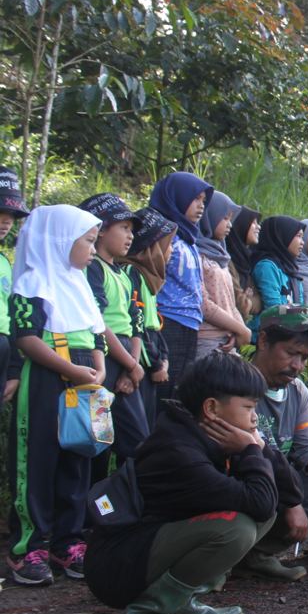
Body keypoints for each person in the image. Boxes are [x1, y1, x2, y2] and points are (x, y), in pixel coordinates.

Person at [84, 351, 295, 614]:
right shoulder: (178, 451)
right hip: (118, 566)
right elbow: (260, 501)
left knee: (261, 511)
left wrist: (258, 448)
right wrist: (251, 451)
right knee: (237, 528)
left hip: (146, 550)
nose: (254, 417)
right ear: (211, 408)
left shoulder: (209, 436)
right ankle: (145, 613)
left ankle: (182, 601)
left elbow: (289, 494)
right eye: (248, 407)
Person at [6, 205, 106, 585]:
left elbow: (96, 334)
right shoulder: (33, 283)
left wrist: (99, 369)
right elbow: (27, 338)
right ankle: (27, 547)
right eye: (88, 241)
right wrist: (71, 370)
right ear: (60, 240)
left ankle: (67, 541)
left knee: (78, 457)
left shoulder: (78, 284)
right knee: (37, 460)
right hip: (48, 379)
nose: (93, 250)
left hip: (85, 381)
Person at [244, 304, 308, 580]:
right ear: (263, 341)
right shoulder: (237, 382)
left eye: (304, 357)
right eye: (290, 353)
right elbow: (249, 456)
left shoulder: (297, 391)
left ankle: (256, 555)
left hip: (275, 485)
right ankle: (217, 561)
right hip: (241, 483)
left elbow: (306, 448)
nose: (297, 366)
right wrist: (291, 502)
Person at [79, 194, 148, 480]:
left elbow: (135, 322)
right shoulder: (92, 269)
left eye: (132, 230)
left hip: (126, 362)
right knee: (98, 441)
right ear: (101, 229)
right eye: (124, 228)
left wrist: (131, 367)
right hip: (103, 360)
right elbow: (98, 321)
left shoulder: (126, 273)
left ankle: (119, 506)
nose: (130, 236)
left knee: (138, 440)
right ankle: (90, 512)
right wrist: (131, 366)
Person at [149, 172, 214, 395]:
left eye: (204, 201)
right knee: (162, 390)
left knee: (179, 391)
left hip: (191, 323)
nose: (201, 206)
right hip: (166, 320)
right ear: (178, 197)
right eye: (195, 199)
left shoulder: (190, 240)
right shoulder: (162, 234)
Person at [123, 208, 178, 426]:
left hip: (150, 355)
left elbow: (154, 324)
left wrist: (163, 359)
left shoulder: (149, 278)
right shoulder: (131, 273)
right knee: (136, 429)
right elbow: (138, 324)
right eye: (167, 244)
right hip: (139, 359)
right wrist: (156, 365)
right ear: (151, 247)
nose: (171, 250)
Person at [195, 191, 251, 358]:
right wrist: (240, 329)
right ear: (209, 216)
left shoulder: (221, 255)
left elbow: (230, 301)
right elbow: (203, 303)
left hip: (227, 338)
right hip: (206, 339)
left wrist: (239, 329)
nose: (230, 225)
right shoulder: (197, 254)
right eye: (225, 218)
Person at [0, 167, 31, 394]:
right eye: (0, 214)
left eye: (11, 217)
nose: (6, 223)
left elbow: (7, 314)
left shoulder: (3, 261)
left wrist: (13, 369)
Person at [249, 215, 305, 335]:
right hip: (266, 336)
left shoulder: (292, 269)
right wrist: (301, 312)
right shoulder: (267, 266)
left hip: (288, 332)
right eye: (298, 236)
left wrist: (302, 312)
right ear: (282, 236)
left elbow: (300, 305)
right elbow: (274, 307)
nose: (302, 243)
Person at [227, 206, 263, 325]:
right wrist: (246, 300)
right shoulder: (226, 260)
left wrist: (246, 301)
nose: (258, 227)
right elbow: (240, 304)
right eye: (253, 223)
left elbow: (260, 302)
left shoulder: (247, 261)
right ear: (240, 225)